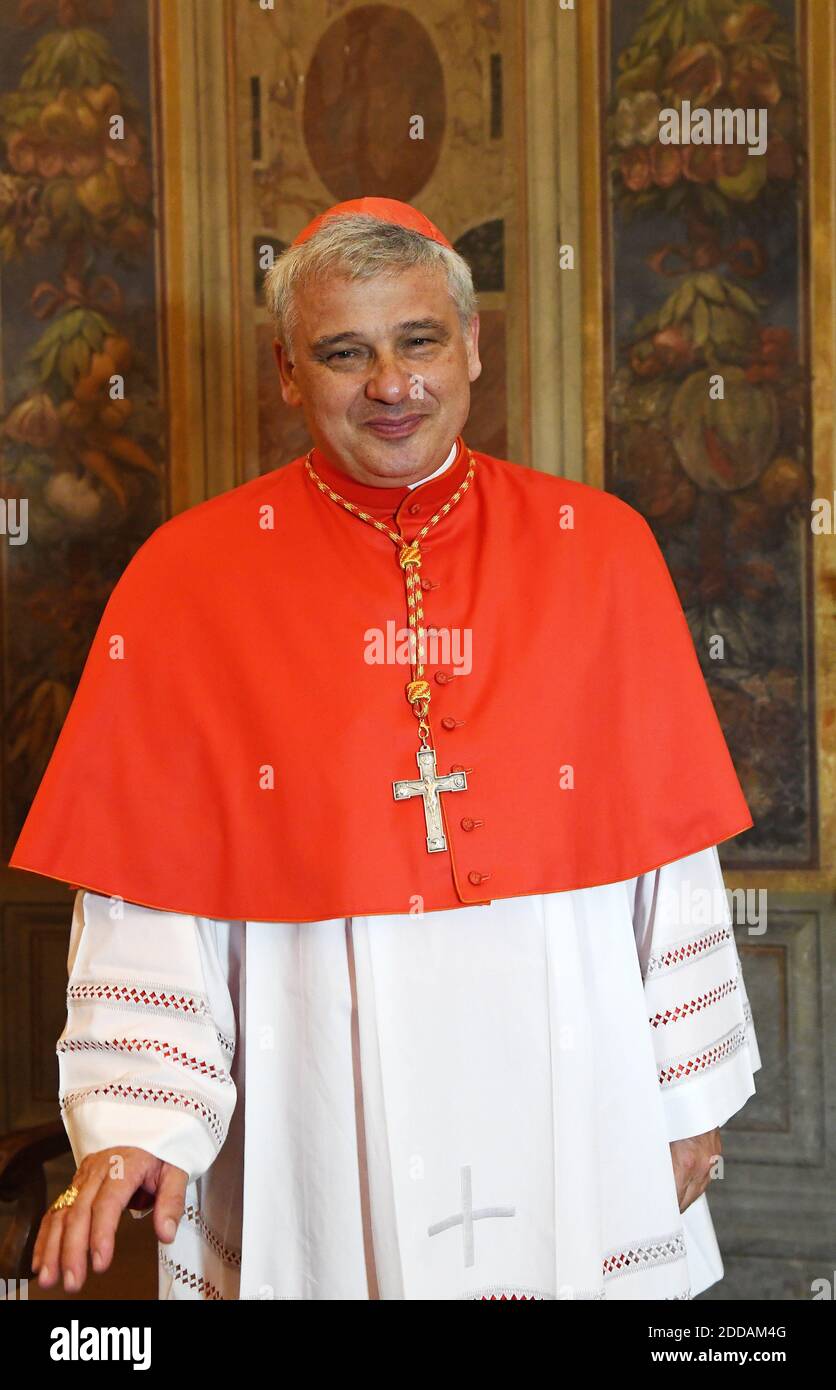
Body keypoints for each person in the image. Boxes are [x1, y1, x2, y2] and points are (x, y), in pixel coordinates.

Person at [12, 197, 759, 1300]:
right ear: (286, 371)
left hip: (571, 1079)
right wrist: (134, 1118)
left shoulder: (596, 550)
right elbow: (145, 894)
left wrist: (685, 1098)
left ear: (468, 345)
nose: (391, 384)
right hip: (312, 1092)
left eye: (416, 341)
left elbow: (668, 852)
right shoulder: (190, 578)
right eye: (343, 353)